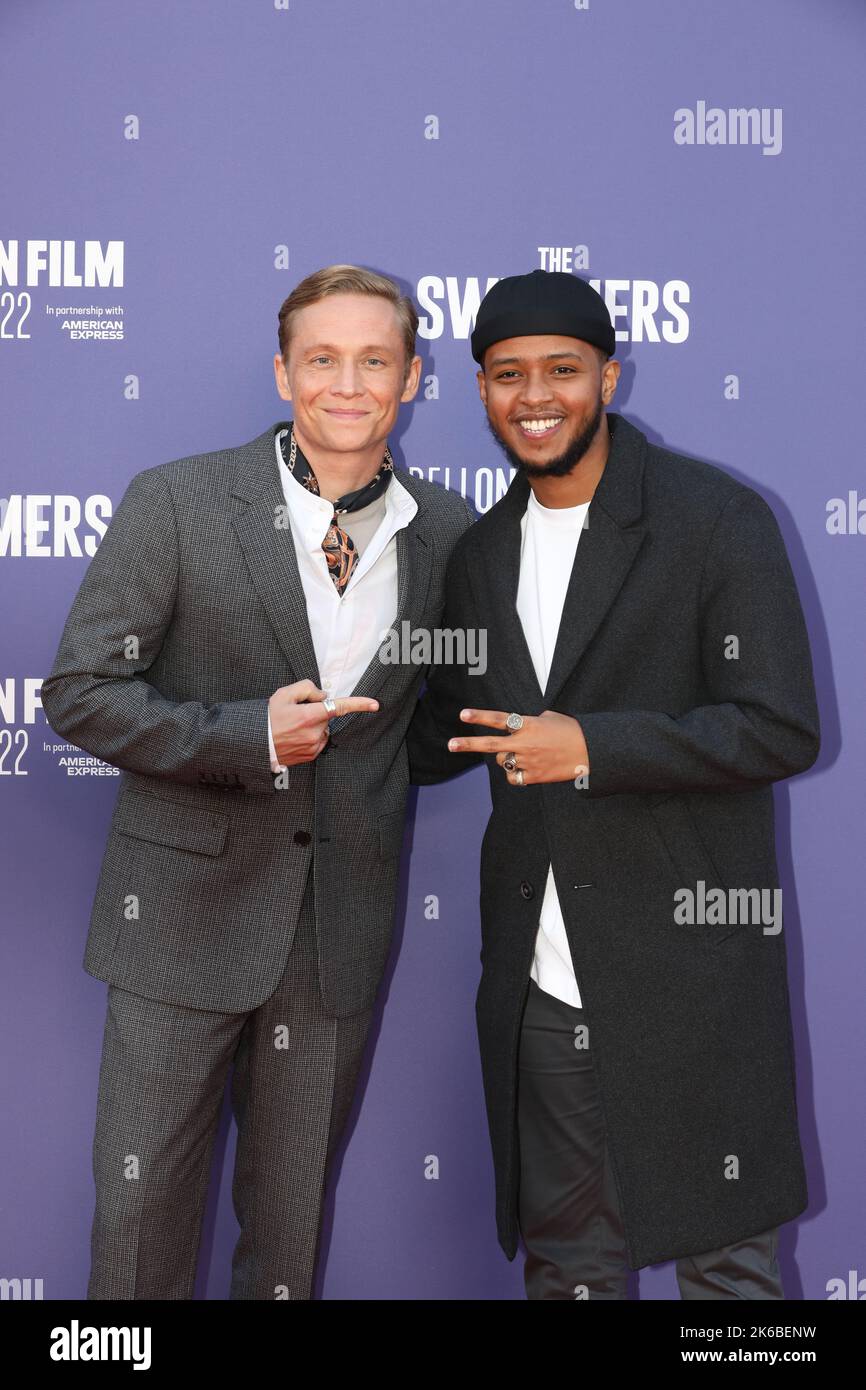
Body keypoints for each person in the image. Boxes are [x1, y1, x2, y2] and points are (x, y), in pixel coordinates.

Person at [40, 264, 474, 1300]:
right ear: (283, 372)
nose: (347, 382)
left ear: (411, 379)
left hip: (336, 933)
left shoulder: (454, 535)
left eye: (374, 359)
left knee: (286, 1238)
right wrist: (251, 737)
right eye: (321, 357)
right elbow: (81, 692)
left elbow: (433, 728)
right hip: (177, 923)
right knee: (140, 1222)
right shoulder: (178, 501)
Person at [407, 269, 820, 1300]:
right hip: (541, 986)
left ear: (608, 376)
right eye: (506, 374)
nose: (533, 395)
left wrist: (589, 747)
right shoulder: (477, 553)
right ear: (479, 389)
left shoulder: (715, 518)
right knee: (568, 1272)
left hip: (689, 973)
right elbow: (436, 735)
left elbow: (777, 725)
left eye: (560, 369)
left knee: (729, 1275)